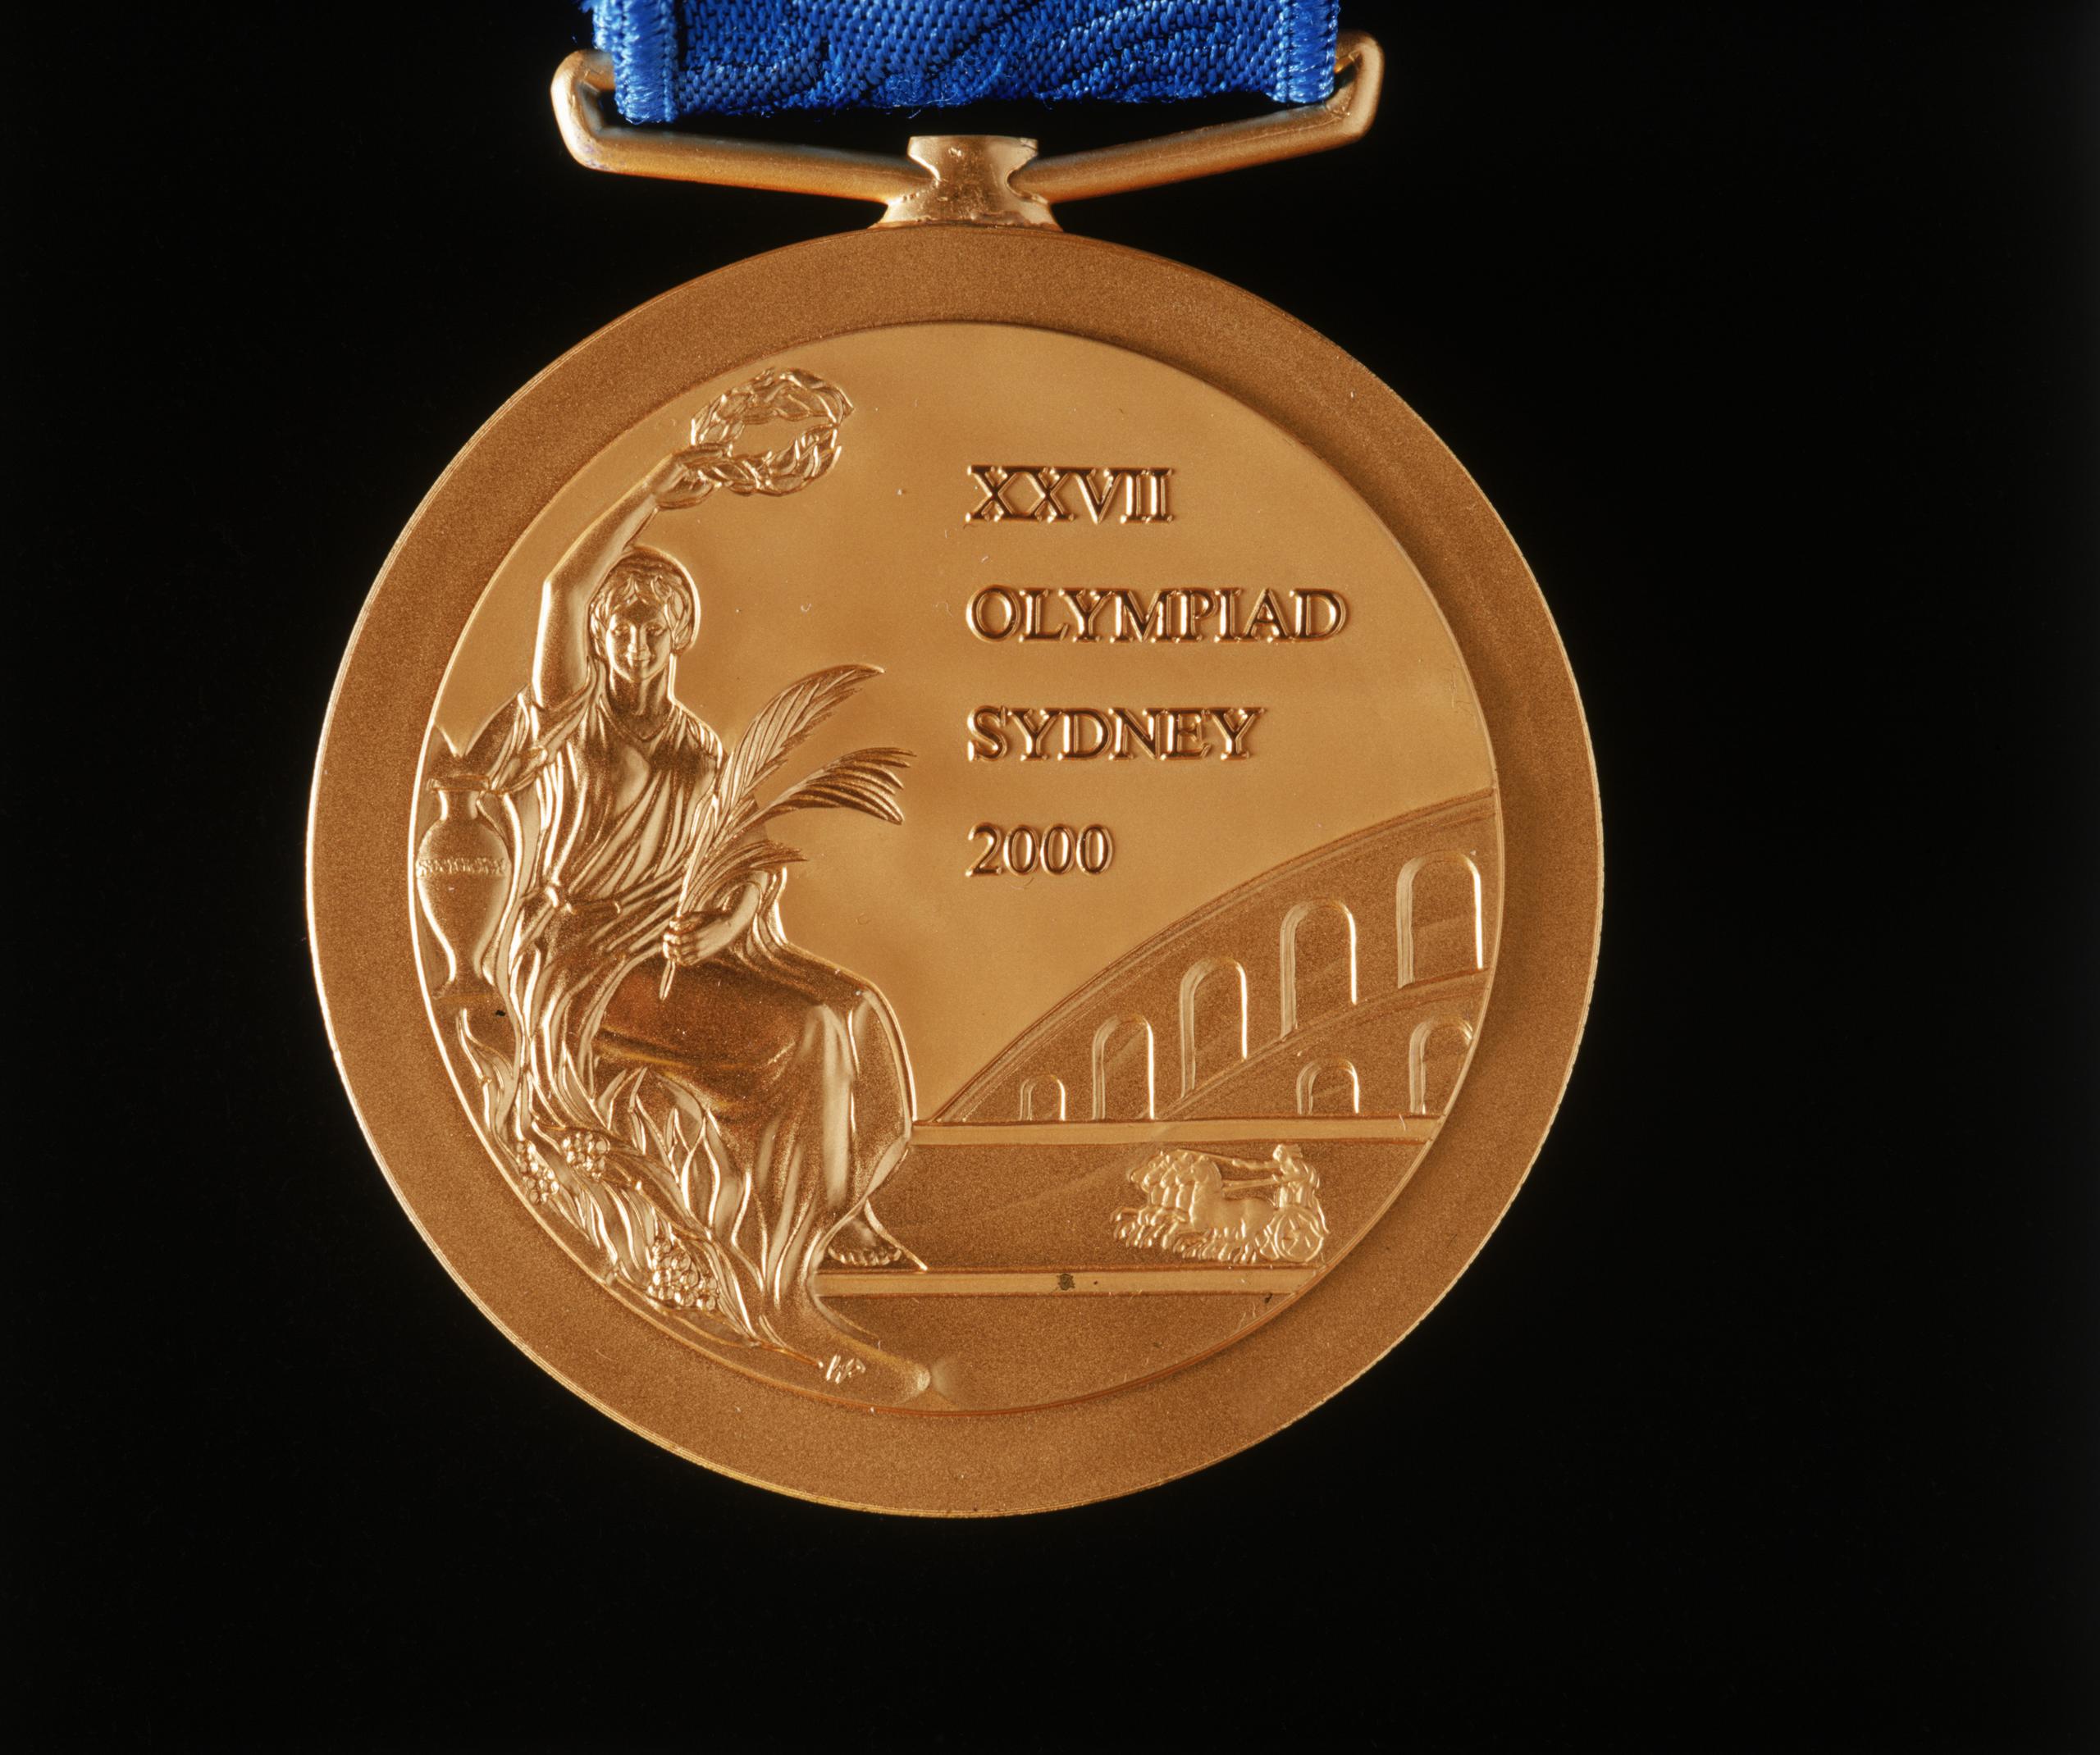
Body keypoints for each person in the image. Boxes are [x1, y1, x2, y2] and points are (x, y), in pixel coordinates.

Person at [446, 456, 923, 1394]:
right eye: (621, 621)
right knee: (801, 1033)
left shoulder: (700, 746)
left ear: (679, 633)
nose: (636, 638)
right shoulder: (569, 720)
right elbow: (560, 586)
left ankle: (838, 1208)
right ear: (599, 633)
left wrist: (716, 930)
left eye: (654, 623)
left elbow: (745, 868)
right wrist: (654, 487)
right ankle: (782, 1286)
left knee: (857, 1008)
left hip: (673, 954)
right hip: (584, 967)